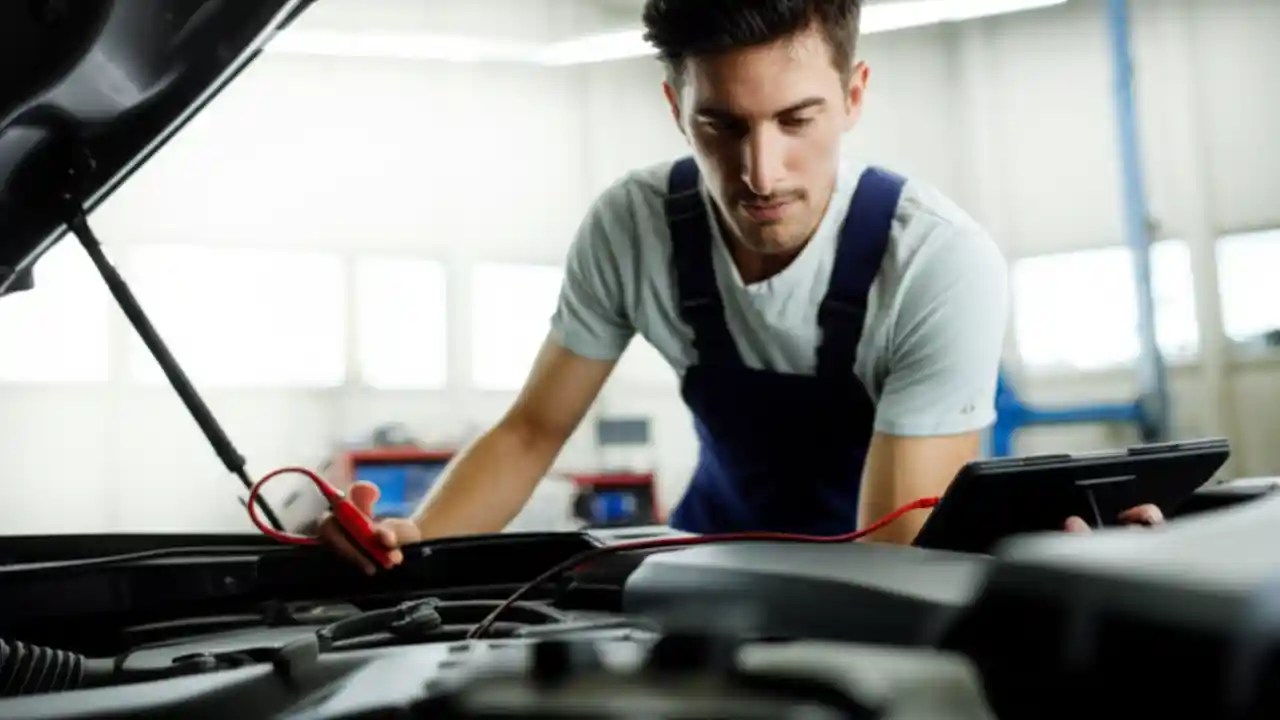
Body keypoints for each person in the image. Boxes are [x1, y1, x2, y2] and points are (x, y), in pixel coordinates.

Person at [318, 0, 1163, 574]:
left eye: (797, 120)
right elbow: (531, 432)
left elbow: (894, 544)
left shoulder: (940, 264)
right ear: (674, 106)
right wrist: (413, 543)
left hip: (882, 577)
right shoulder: (632, 229)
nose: (760, 172)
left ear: (854, 94)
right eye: (721, 125)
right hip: (706, 566)